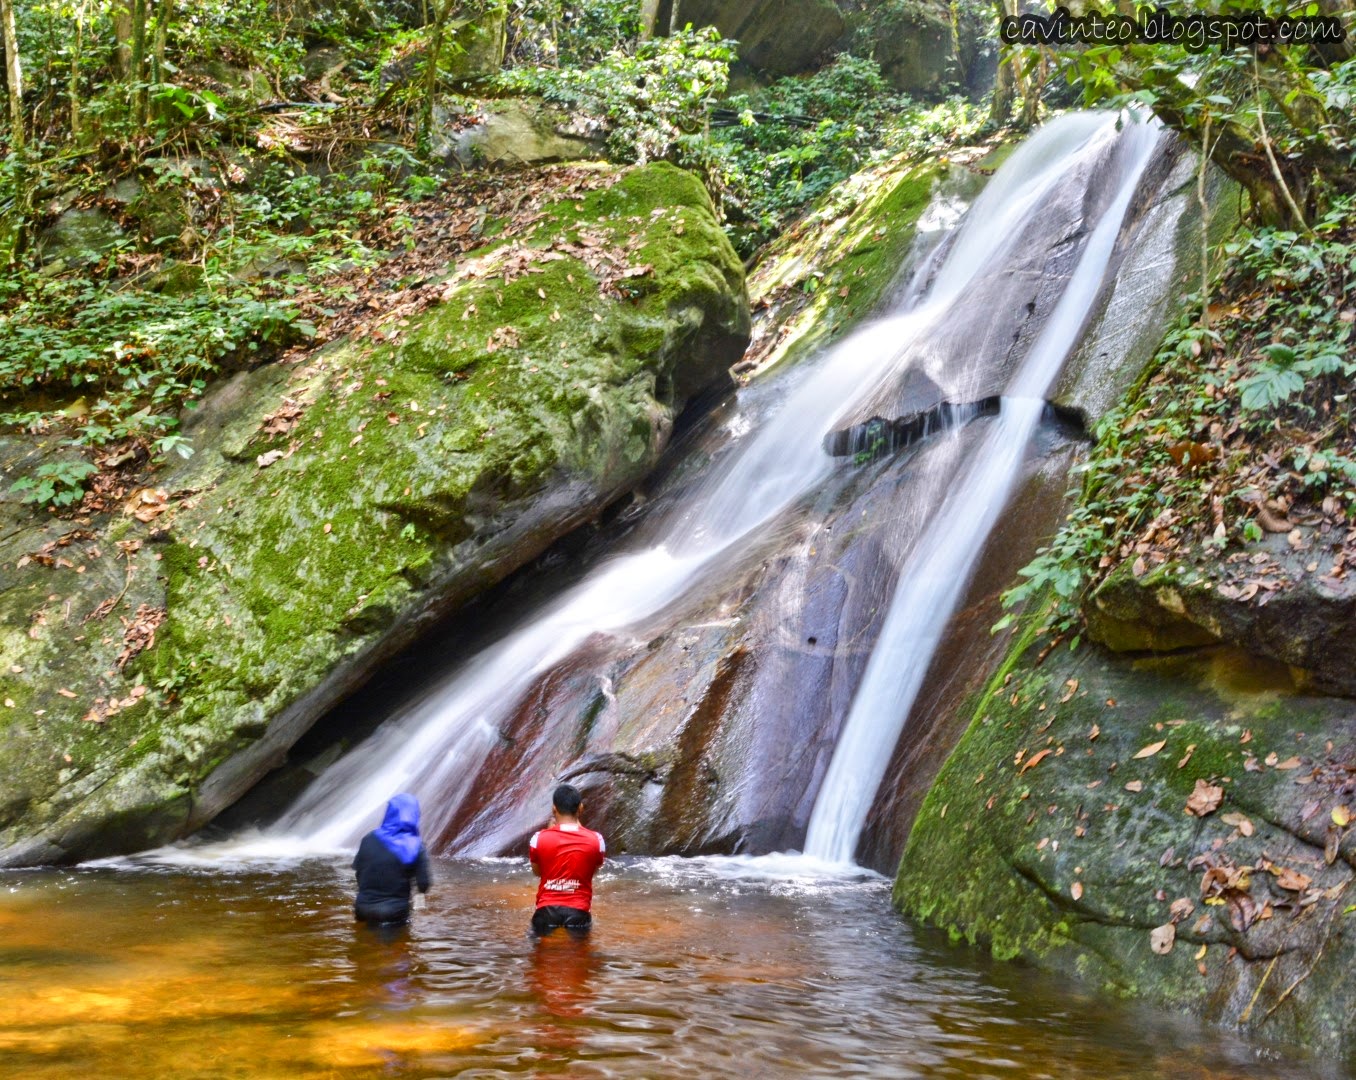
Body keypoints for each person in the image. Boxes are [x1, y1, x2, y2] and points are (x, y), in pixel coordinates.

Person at [528, 782, 605, 934]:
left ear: (554, 809)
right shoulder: (597, 840)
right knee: (581, 956)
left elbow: (537, 872)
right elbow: (593, 871)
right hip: (578, 912)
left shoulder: (538, 838)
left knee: (538, 955)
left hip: (546, 911)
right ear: (580, 808)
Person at [353, 792, 432, 926]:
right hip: (394, 912)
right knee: (397, 945)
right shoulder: (416, 846)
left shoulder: (368, 838)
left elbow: (359, 873)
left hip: (362, 909)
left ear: (389, 813)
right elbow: (423, 884)